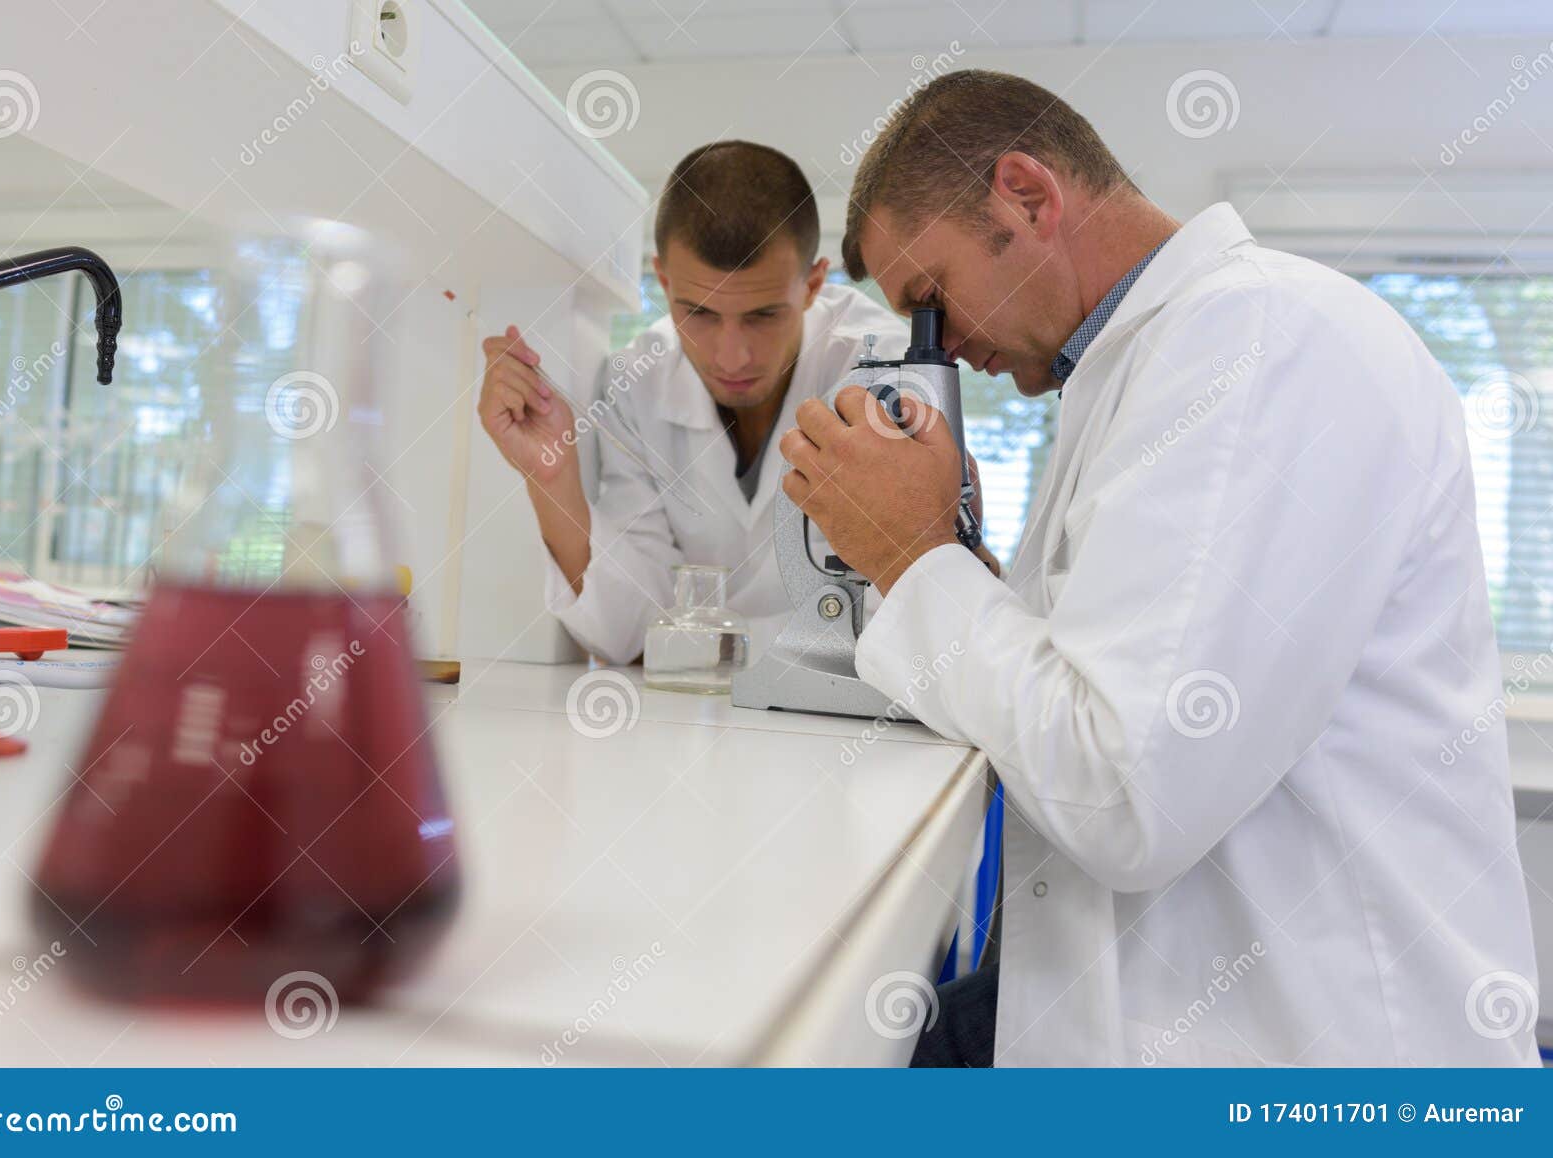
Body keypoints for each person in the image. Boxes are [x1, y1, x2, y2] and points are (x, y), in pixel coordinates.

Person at [779, 69, 1540, 1066]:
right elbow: (1085, 674)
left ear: (1028, 194)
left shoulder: (1259, 342)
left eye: (932, 300)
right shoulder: (1134, 373)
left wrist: (914, 558)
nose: (944, 350)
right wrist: (951, 556)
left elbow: (1128, 792)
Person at [476, 140, 911, 664]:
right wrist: (551, 480)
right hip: (691, 720)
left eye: (763, 315)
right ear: (662, 281)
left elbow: (895, 623)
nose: (731, 356)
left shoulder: (883, 369)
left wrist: (694, 646)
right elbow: (629, 634)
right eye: (699, 313)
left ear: (813, 285)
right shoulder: (635, 383)